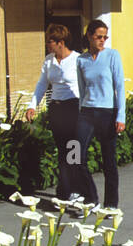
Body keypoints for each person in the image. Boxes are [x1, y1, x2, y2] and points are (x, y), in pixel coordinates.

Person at [26, 24, 83, 200]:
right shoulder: (49, 60)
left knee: (74, 150)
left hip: (74, 108)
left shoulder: (78, 60)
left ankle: (76, 189)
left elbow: (86, 86)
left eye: (49, 41)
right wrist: (32, 105)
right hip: (57, 108)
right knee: (62, 151)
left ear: (61, 42)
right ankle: (65, 190)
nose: (47, 45)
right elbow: (42, 84)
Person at [76, 19, 126, 208]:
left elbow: (120, 86)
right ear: (89, 36)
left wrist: (121, 116)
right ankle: (90, 198)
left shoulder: (113, 56)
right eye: (99, 37)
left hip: (107, 112)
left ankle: (111, 204)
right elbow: (81, 90)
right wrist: (80, 112)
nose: (102, 40)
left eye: (105, 37)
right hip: (87, 112)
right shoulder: (81, 60)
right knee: (75, 156)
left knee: (109, 162)